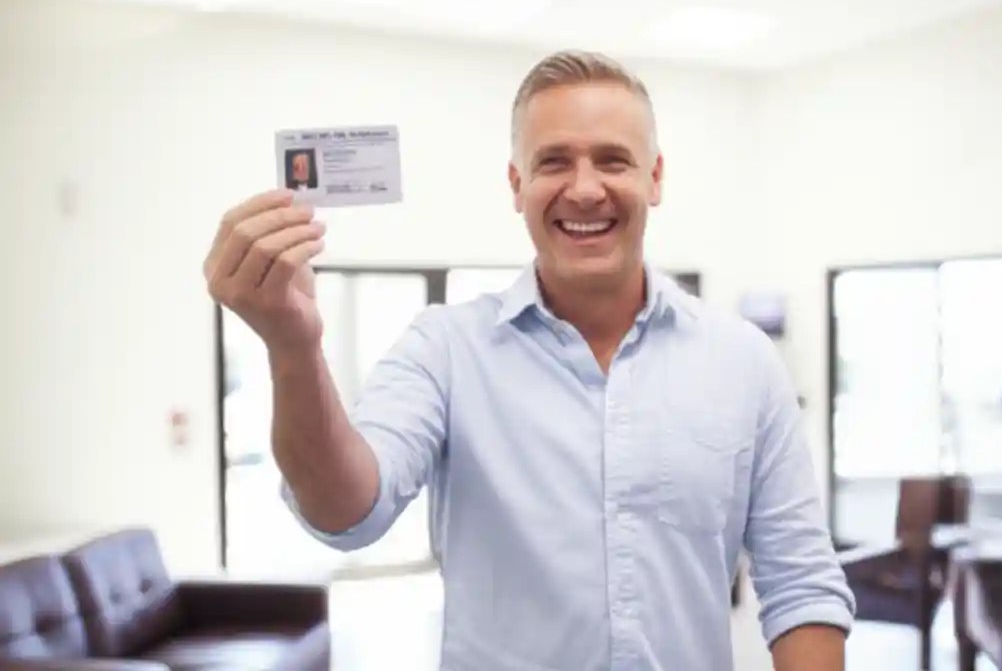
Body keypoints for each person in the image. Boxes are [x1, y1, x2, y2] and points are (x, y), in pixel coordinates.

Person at [203, 50, 855, 670]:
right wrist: (293, 348)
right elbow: (343, 512)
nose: (585, 189)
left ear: (654, 178)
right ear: (517, 185)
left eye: (613, 160)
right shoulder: (446, 350)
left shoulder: (742, 362)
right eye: (553, 163)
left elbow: (802, 586)